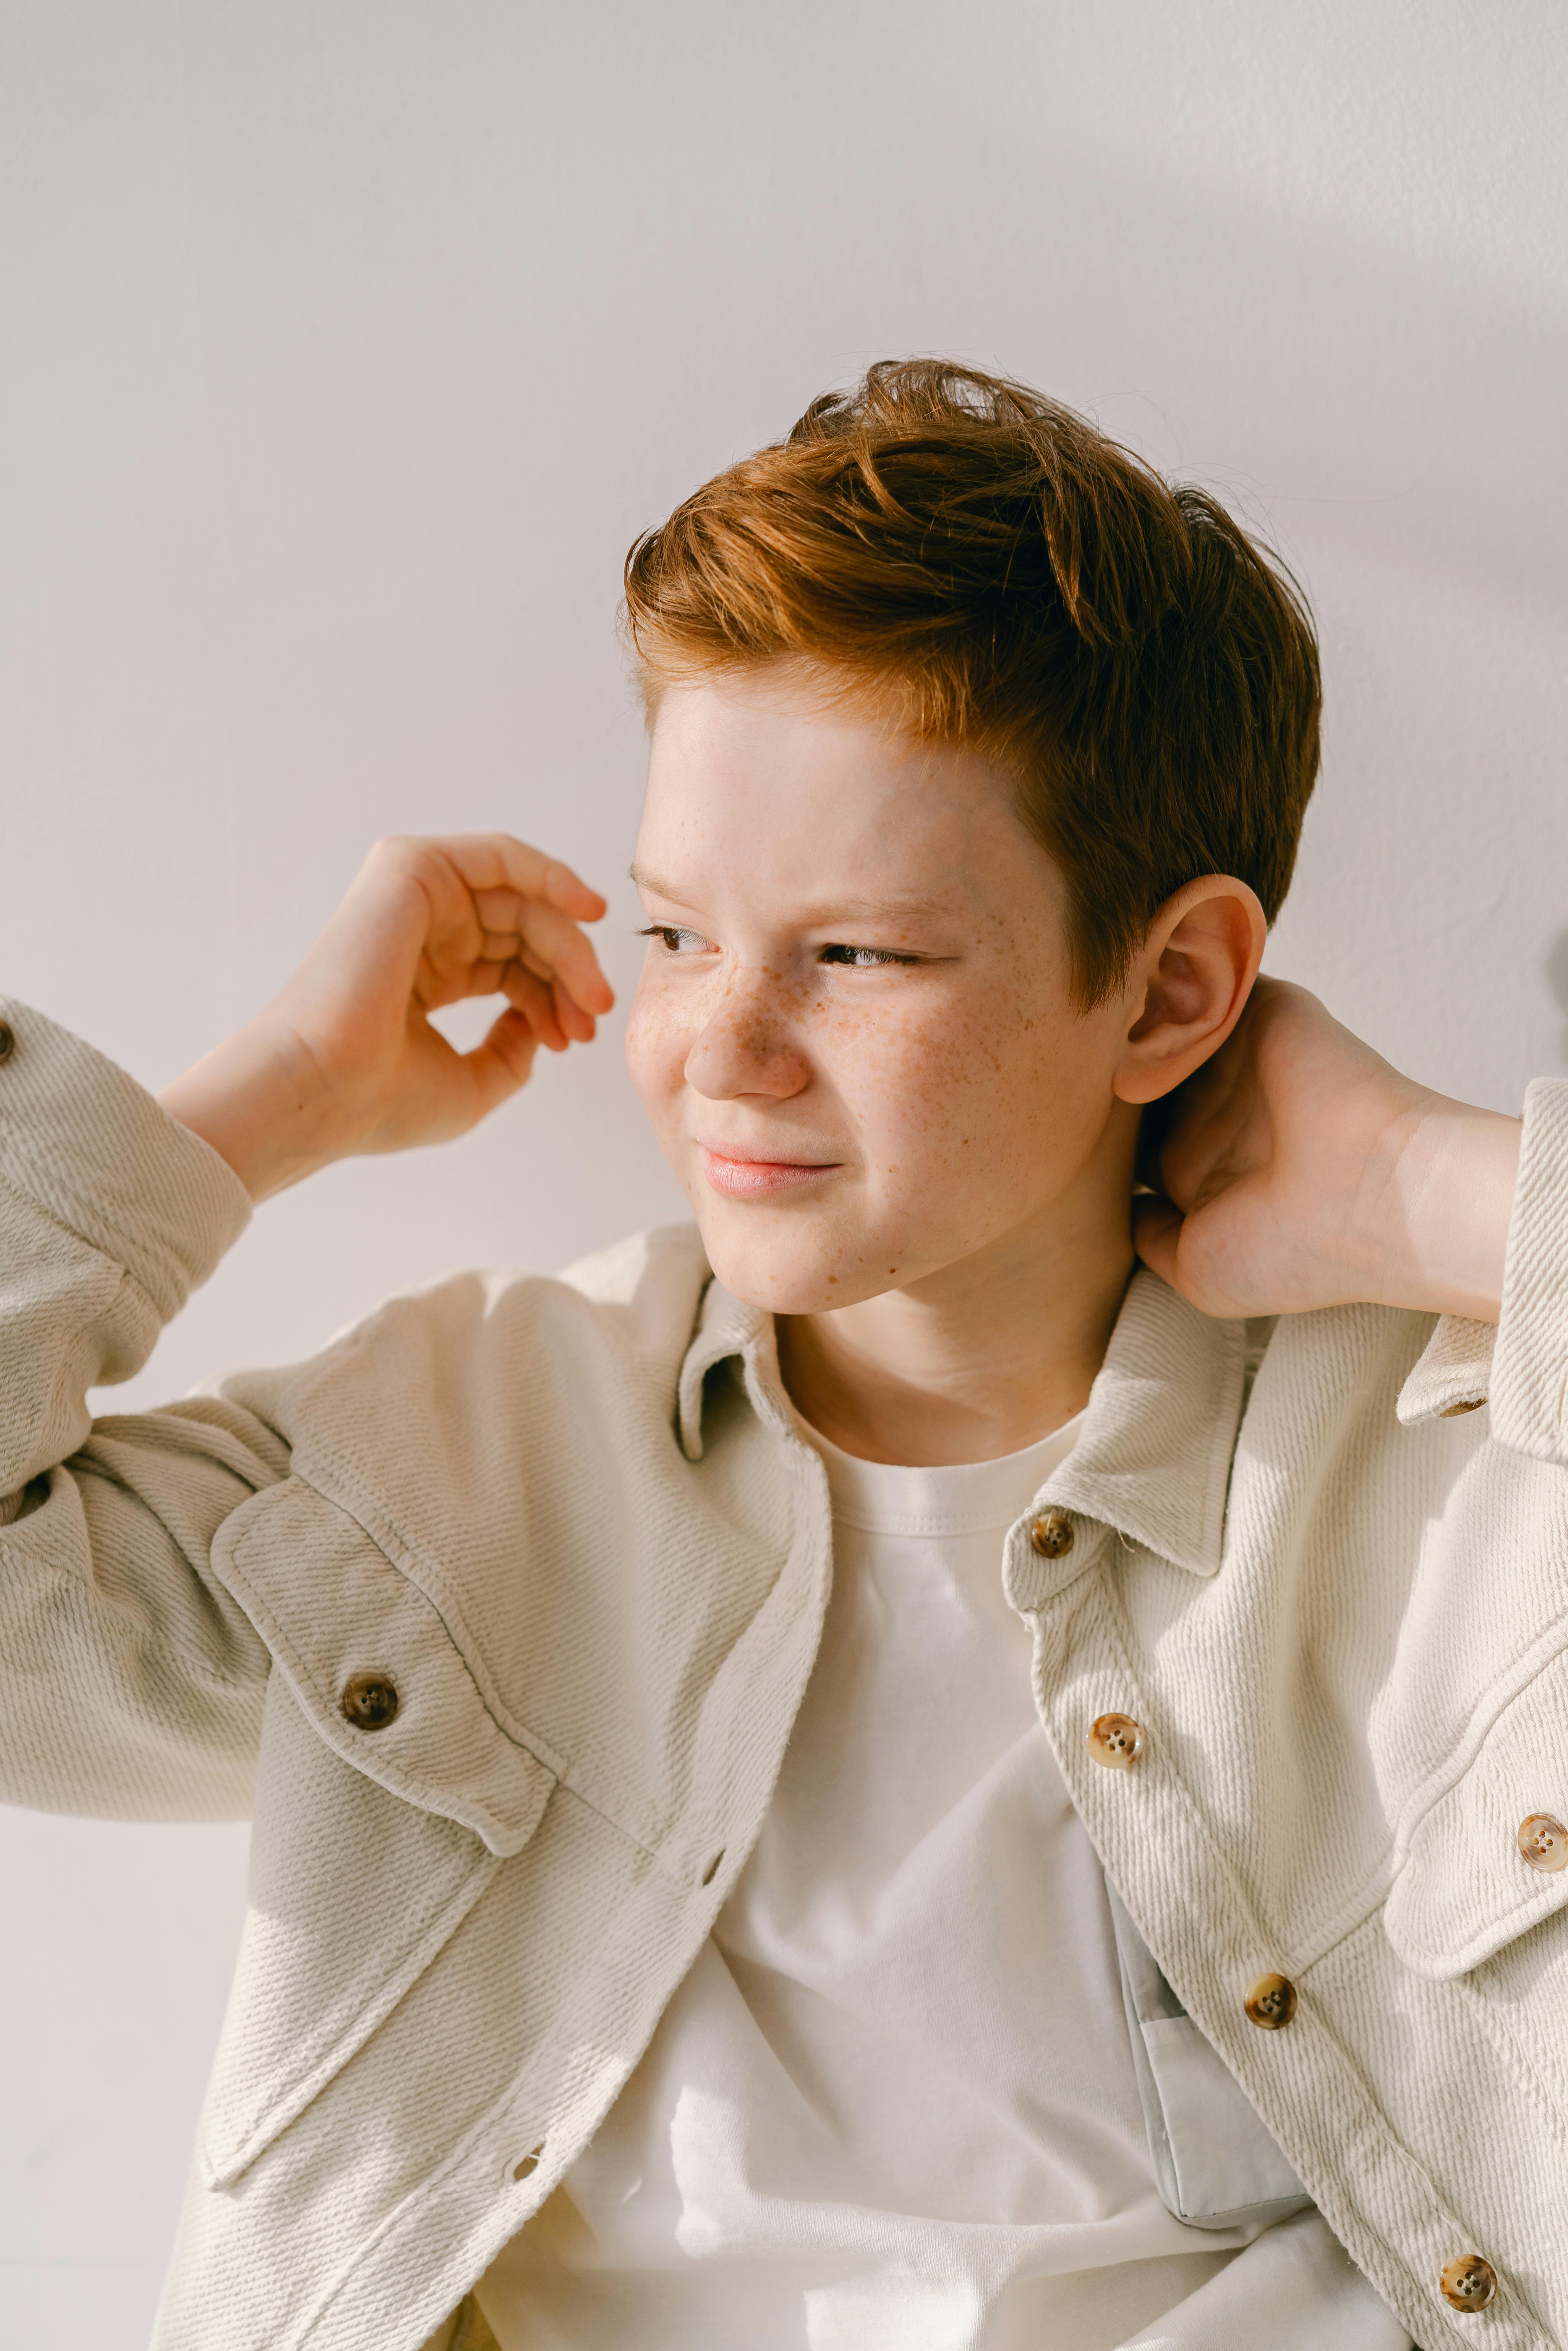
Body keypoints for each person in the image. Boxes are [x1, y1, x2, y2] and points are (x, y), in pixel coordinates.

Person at [0, 361, 1559, 2351]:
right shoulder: (471, 1453)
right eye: (672, 935)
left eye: (855, 956)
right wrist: (264, 1104)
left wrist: (1437, 1191)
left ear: (1171, 988)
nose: (717, 1047)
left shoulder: (1451, 1463)